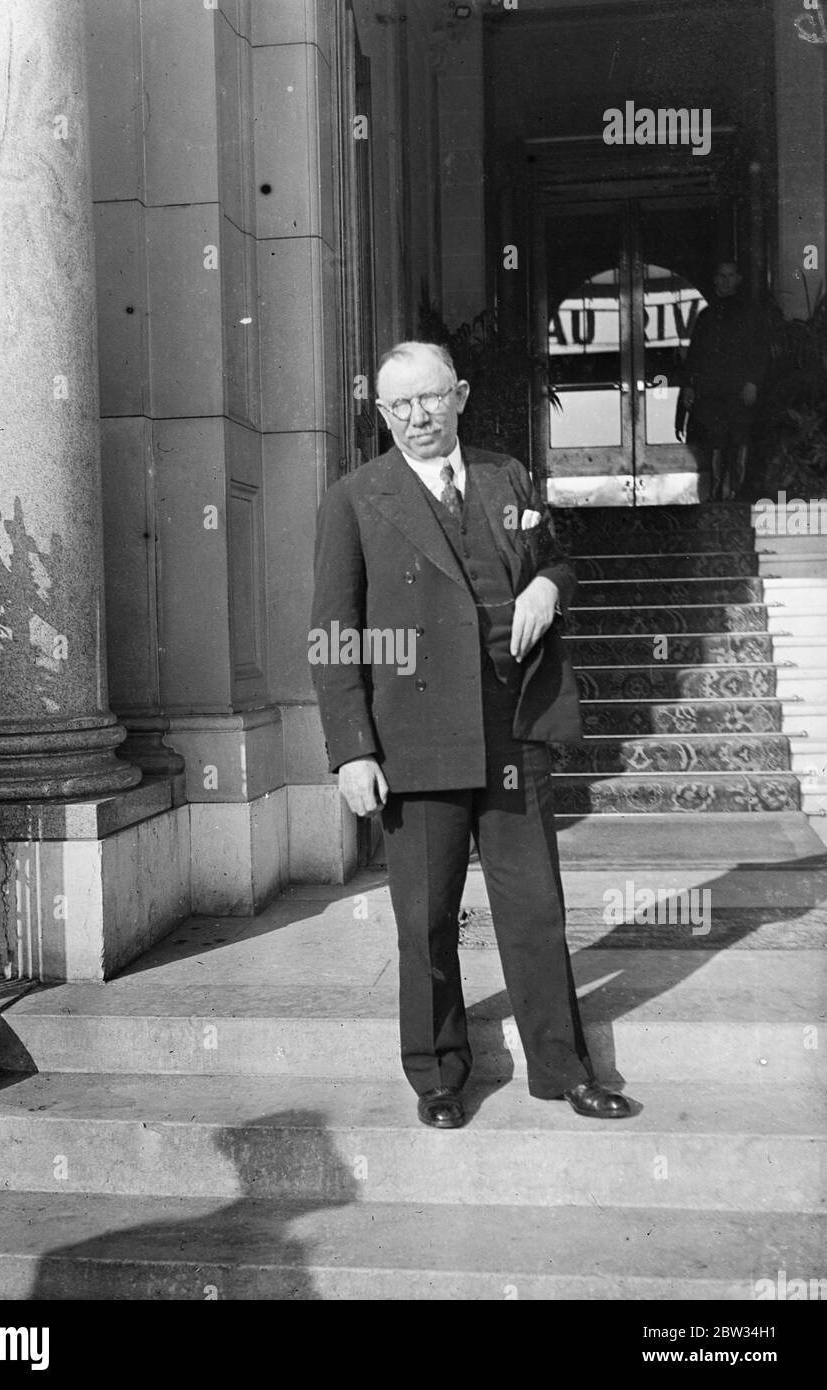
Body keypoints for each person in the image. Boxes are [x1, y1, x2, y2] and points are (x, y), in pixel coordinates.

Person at [309, 340, 632, 1128]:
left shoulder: (505, 475)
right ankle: (438, 1077)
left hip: (512, 729)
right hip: (415, 741)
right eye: (398, 407)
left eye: (429, 399)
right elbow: (334, 634)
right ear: (381, 414)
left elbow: (557, 559)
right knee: (425, 918)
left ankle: (562, 1069)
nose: (417, 418)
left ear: (458, 395)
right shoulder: (355, 498)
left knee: (535, 909)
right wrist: (352, 748)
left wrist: (548, 588)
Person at [676, 260, 769, 500]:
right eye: (721, 275)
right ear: (715, 279)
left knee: (739, 442)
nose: (725, 280)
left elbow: (760, 351)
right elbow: (695, 354)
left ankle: (737, 497)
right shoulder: (707, 315)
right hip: (710, 393)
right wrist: (689, 386)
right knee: (714, 444)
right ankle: (716, 497)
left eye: (731, 275)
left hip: (739, 392)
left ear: (738, 279)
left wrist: (753, 382)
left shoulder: (750, 313)